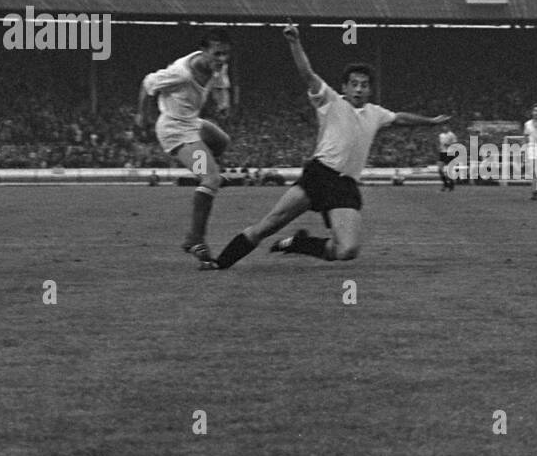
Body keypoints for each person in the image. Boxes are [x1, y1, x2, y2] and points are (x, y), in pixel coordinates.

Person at [202, 22, 448, 270]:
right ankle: (219, 263)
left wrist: (430, 122)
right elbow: (307, 74)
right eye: (354, 84)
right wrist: (294, 42)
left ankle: (299, 244)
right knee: (268, 225)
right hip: (319, 175)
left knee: (347, 250)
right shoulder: (329, 100)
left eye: (364, 85)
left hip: (344, 185)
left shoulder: (376, 113)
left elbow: (400, 118)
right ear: (344, 87)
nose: (359, 89)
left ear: (370, 89)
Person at [136, 28, 233, 263]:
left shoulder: (217, 66)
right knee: (211, 179)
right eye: (217, 54)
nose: (222, 59)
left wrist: (223, 103)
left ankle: (205, 175)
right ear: (203, 51)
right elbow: (147, 84)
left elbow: (220, 85)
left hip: (192, 124)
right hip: (174, 130)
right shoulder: (181, 73)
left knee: (222, 141)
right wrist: (142, 116)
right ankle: (195, 239)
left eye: (225, 54)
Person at [436, 122, 458, 191]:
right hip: (442, 153)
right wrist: (439, 148)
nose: (444, 127)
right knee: (440, 170)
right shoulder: (441, 135)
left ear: (448, 127)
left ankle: (451, 185)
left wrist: (448, 145)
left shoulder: (452, 135)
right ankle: (445, 184)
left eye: (445, 126)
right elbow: (440, 144)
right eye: (443, 126)